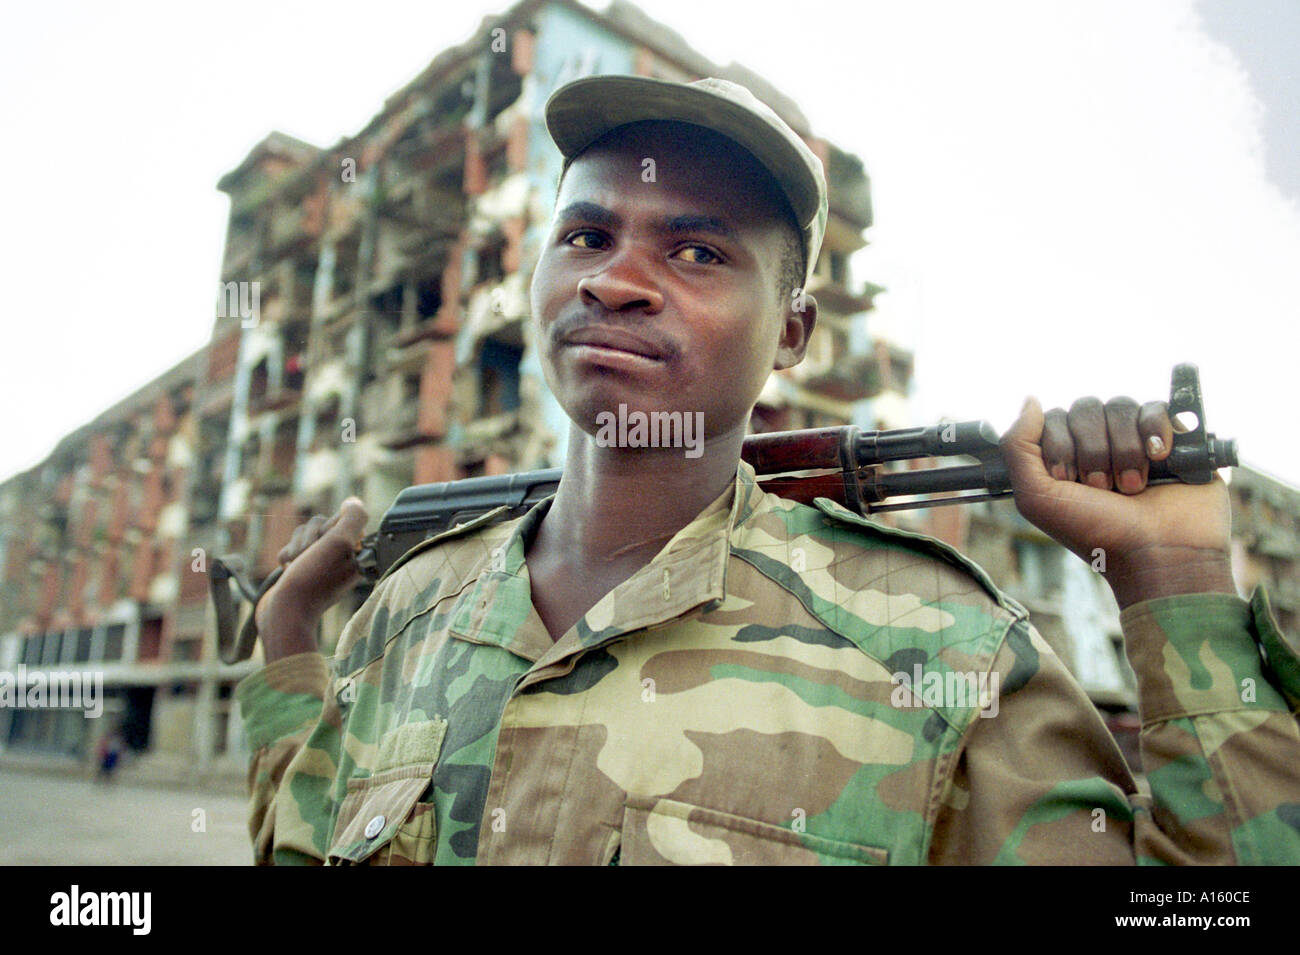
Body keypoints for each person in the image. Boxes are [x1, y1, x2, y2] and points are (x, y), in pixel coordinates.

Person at [236, 75, 1300, 865]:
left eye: (698, 251)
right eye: (586, 234)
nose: (615, 280)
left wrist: (1175, 580)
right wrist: (288, 642)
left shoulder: (947, 651)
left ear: (791, 332)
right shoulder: (406, 613)